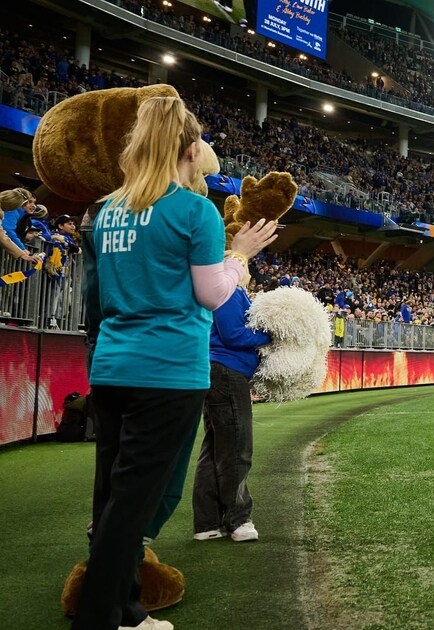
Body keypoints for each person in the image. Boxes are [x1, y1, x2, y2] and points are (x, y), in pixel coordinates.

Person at [73, 96, 277, 630]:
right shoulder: (194, 210)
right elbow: (211, 294)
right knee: (133, 506)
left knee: (112, 495)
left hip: (112, 366)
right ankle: (98, 618)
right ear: (192, 151)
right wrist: (240, 258)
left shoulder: (111, 208)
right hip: (168, 370)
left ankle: (126, 611)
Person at [192, 281, 271, 543]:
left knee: (214, 448)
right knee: (237, 446)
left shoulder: (216, 286)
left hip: (215, 370)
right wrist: (270, 335)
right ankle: (238, 519)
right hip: (227, 371)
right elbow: (233, 334)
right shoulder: (227, 288)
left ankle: (207, 522)